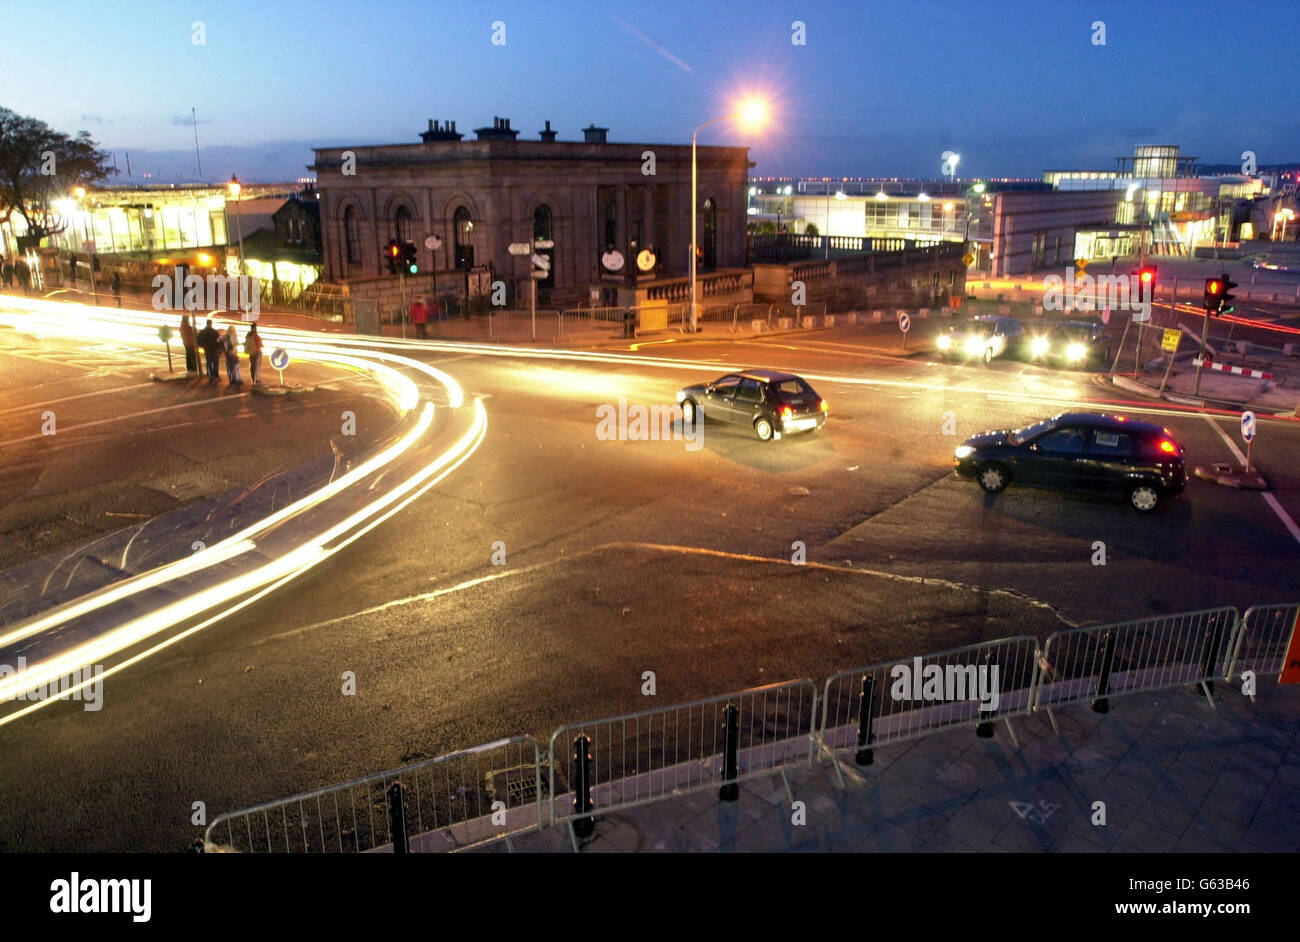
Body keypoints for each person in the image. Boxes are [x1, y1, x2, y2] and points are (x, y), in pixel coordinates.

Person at [196, 318, 221, 383]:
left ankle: (210, 376)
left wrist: (203, 346)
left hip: (207, 350)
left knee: (208, 363)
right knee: (215, 363)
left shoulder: (202, 332)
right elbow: (219, 341)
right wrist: (219, 348)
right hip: (214, 349)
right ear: (211, 324)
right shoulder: (215, 332)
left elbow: (198, 340)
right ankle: (215, 376)